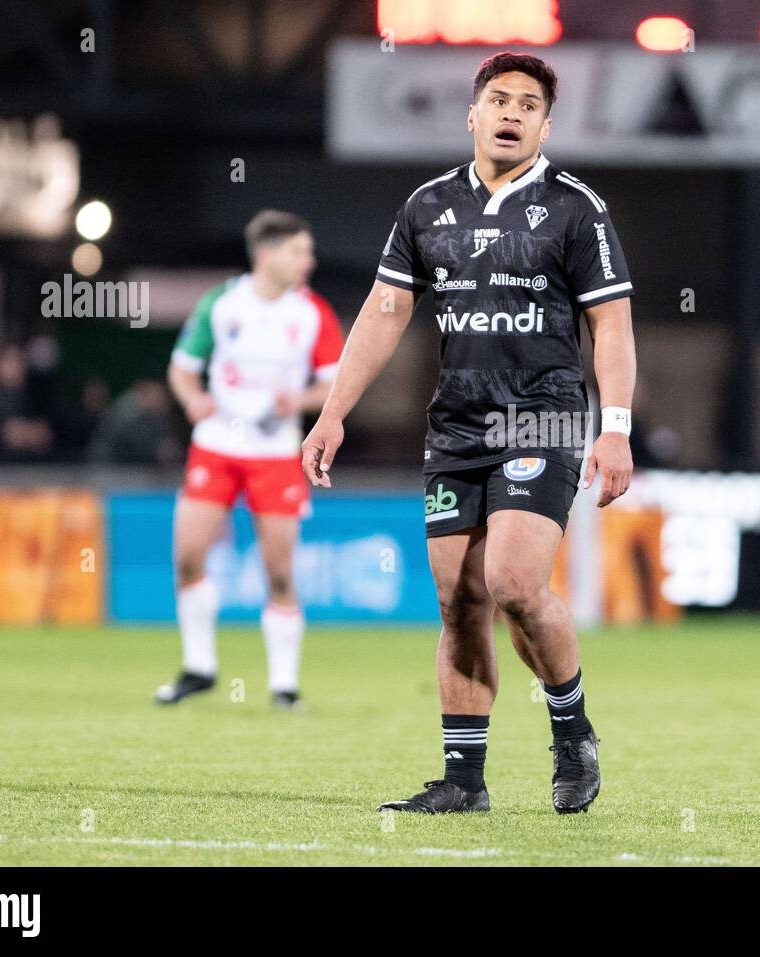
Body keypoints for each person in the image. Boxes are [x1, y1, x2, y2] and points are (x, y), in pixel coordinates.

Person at [302, 52, 637, 814]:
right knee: (458, 600)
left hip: (543, 414)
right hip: (456, 424)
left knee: (515, 583)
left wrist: (613, 428)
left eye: (527, 104)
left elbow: (610, 326)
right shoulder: (426, 207)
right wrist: (332, 411)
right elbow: (385, 314)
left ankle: (571, 727)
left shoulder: (576, 208)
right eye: (498, 100)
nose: (511, 112)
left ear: (546, 126)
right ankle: (463, 780)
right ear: (473, 114)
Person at [156, 210, 344, 709]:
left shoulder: (312, 313)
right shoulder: (222, 303)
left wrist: (300, 402)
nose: (309, 260)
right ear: (267, 254)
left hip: (276, 453)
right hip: (215, 446)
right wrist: (193, 399)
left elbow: (335, 382)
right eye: (298, 251)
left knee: (279, 572)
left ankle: (283, 685)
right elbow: (181, 369)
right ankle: (199, 668)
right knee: (188, 557)